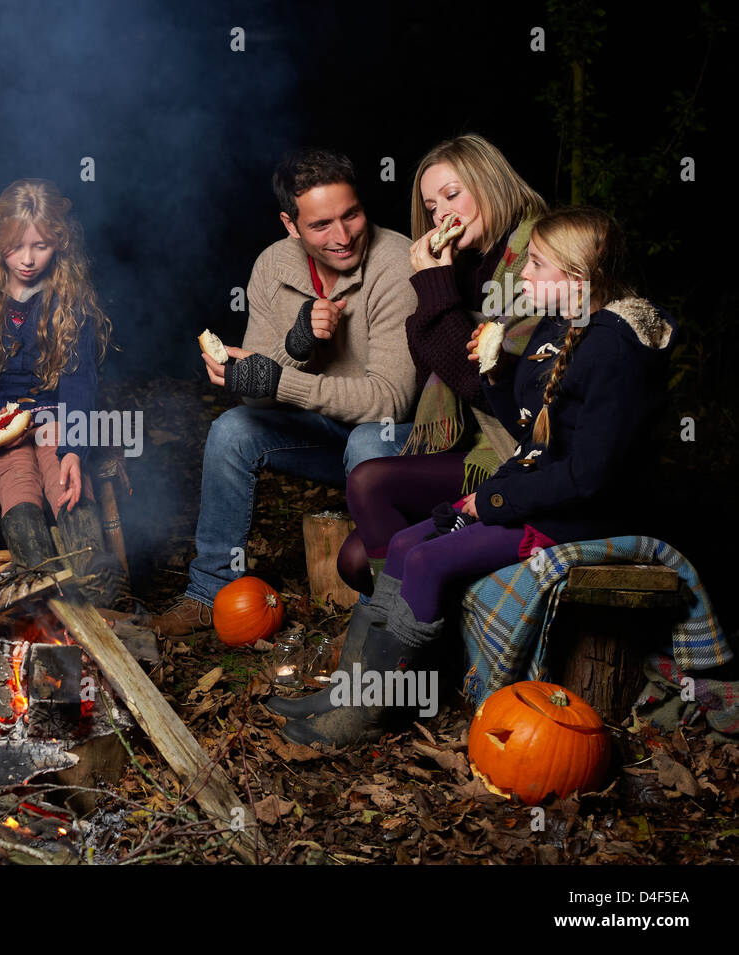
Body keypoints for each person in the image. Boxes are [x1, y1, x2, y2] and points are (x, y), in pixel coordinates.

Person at [280, 207, 677, 746]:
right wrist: (493, 372)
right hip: (532, 490)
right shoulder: (556, 323)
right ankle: (352, 692)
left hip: (578, 517)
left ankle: (376, 713)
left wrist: (489, 503)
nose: (526, 275)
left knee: (425, 557)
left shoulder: (613, 351)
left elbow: (587, 478)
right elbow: (526, 425)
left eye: (537, 264)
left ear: (579, 280)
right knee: (401, 543)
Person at [149, 148, 418, 636]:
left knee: (366, 440)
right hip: (331, 434)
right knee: (233, 430)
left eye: (351, 215)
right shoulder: (273, 267)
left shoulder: (396, 262)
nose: (342, 236)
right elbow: (256, 394)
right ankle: (209, 592)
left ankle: (376, 617)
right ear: (291, 225)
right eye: (320, 226)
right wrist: (295, 345)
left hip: (403, 440)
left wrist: (281, 377)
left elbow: (389, 402)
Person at [336, 134, 549, 597]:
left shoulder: (538, 256)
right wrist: (434, 283)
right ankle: (425, 602)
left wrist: (434, 284)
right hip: (464, 441)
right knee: (353, 561)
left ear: (491, 184)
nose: (441, 215)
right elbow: (425, 365)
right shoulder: (464, 263)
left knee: (369, 480)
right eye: (432, 207)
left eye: (452, 195)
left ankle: (402, 631)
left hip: (515, 449)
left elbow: (482, 383)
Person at [0, 179, 123, 603]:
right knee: (16, 469)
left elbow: (78, 378)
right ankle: (40, 574)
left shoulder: (69, 292)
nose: (28, 260)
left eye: (41, 246)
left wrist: (73, 447)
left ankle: (95, 575)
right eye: (16, 246)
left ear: (61, 242)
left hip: (51, 411)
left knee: (61, 469)